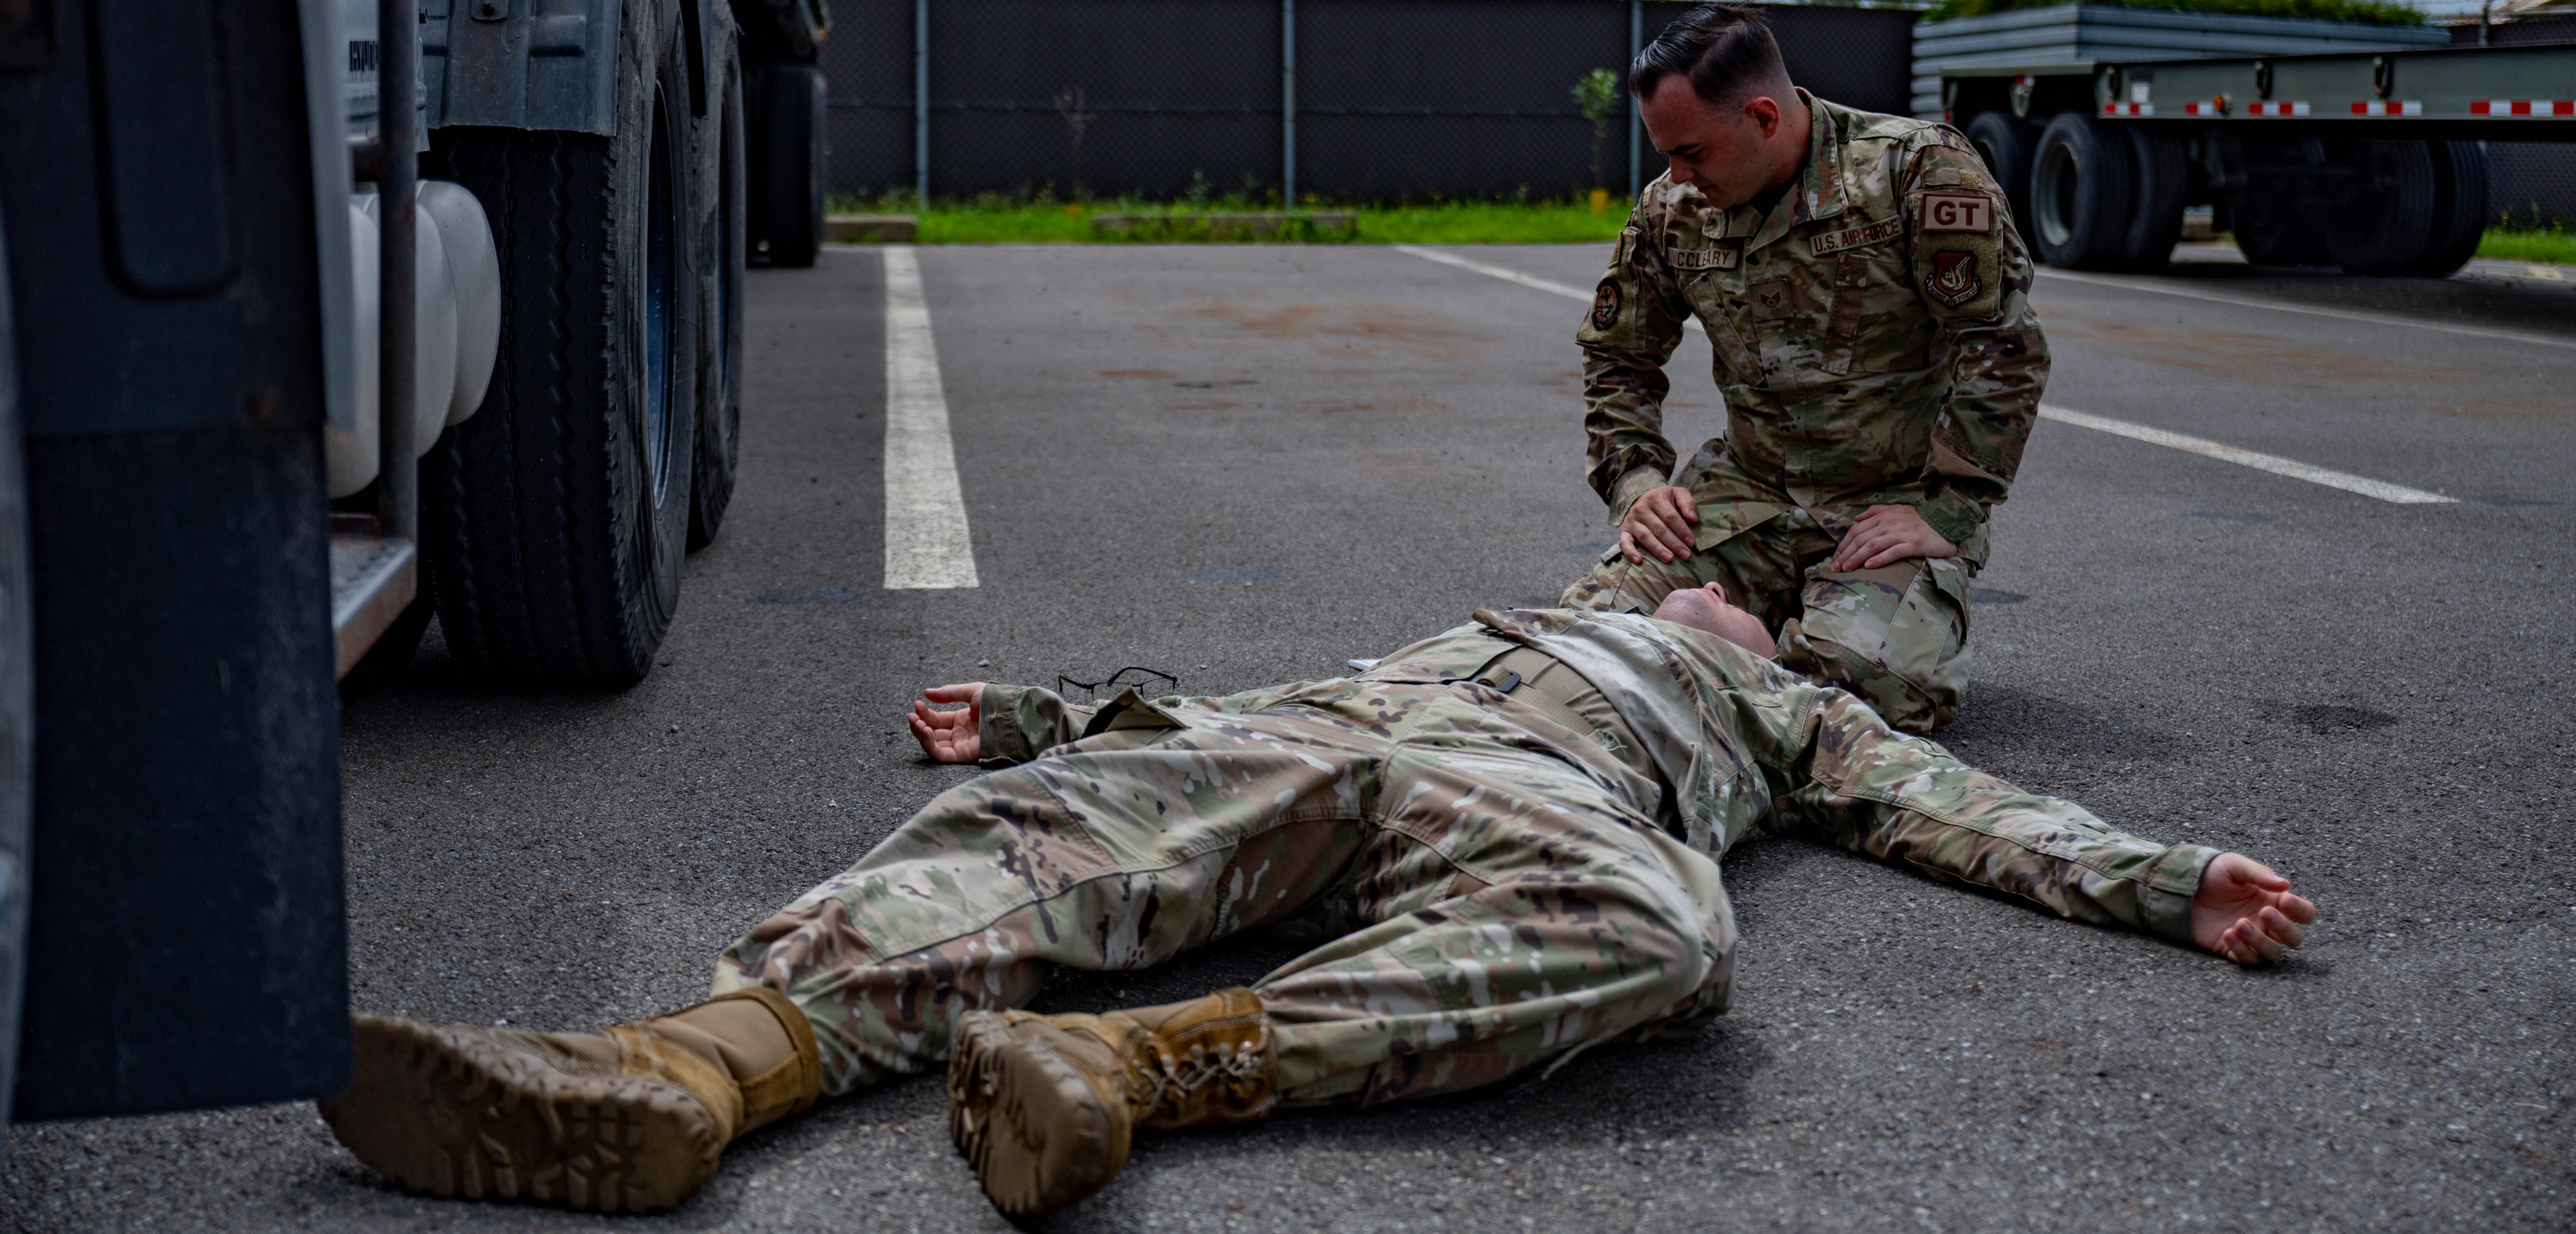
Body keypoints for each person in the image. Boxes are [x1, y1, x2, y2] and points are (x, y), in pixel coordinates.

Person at [318, 587, 2311, 1218]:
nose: (1700, 583)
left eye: (1728, 591)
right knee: (1067, 831)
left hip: (1554, 796)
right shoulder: (1536, 600)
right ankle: (682, 1070)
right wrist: (1040, 712)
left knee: (1675, 937)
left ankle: (1124, 1071)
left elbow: (1966, 803)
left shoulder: (1785, 708)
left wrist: (2166, 878)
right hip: (1346, 726)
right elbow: (1236, 694)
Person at [1564, 3, 2050, 733]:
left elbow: (2003, 345)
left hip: (1886, 504)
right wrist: (1636, 482)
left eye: (1691, 152)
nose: (1676, 175)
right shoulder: (1674, 209)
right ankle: (1774, 636)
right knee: (1587, 644)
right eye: (1665, 153)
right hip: (1750, 493)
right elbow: (1619, 352)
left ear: (1764, 117)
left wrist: (1947, 511)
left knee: (1871, 686)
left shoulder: (1916, 172)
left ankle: (1785, 633)